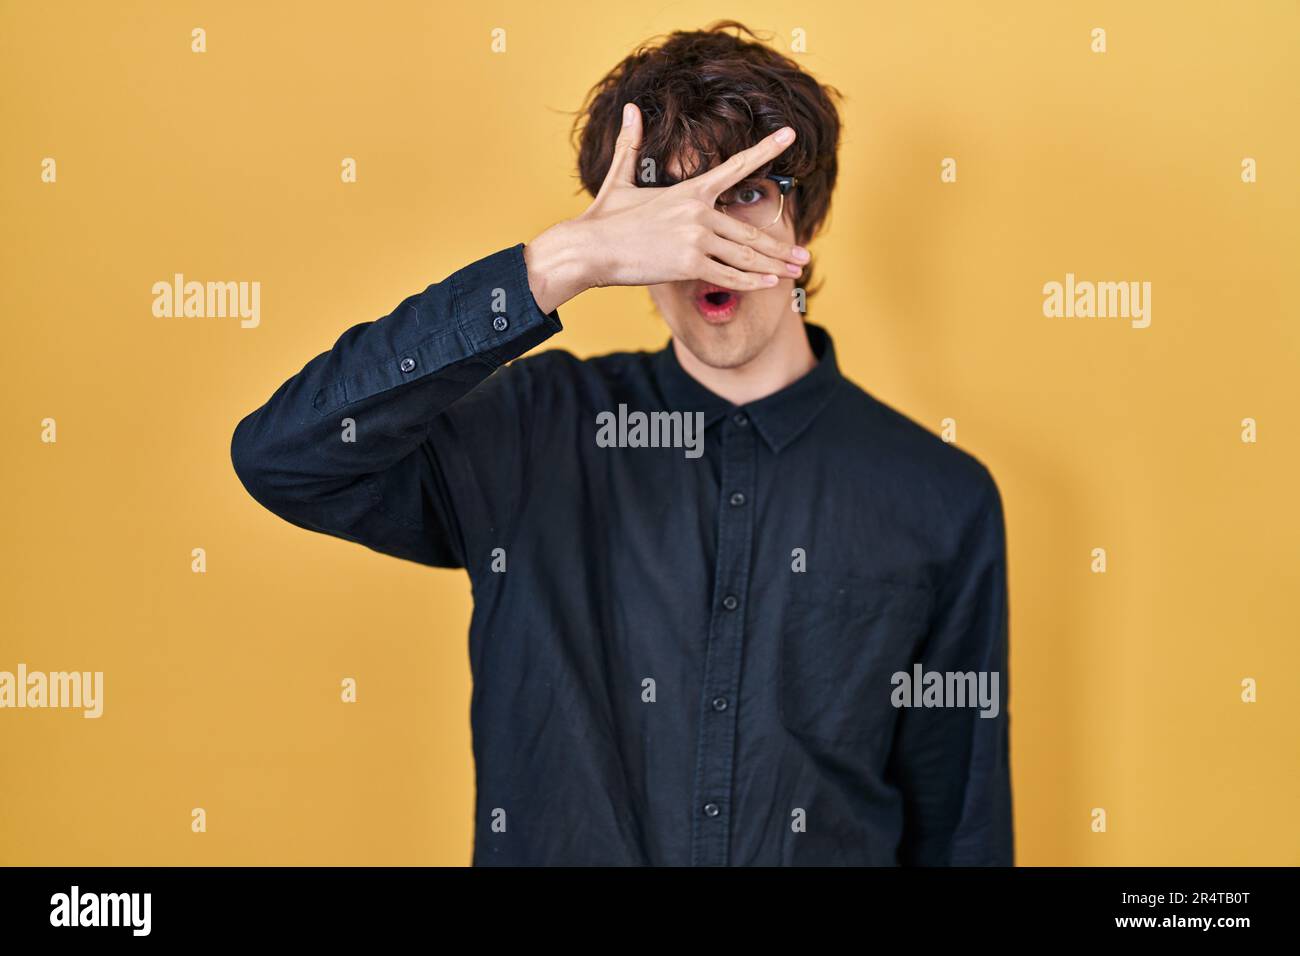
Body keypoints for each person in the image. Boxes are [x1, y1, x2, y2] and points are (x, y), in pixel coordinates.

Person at [231, 21, 1012, 866]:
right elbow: (285, 455)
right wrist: (563, 260)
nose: (698, 238)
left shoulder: (942, 496)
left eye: (741, 192)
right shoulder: (527, 431)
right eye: (663, 206)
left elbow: (960, 824)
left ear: (803, 220)